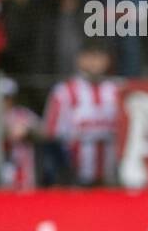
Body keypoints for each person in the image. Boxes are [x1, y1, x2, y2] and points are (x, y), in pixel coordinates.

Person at [42, 37, 120, 186]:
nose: (94, 62)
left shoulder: (117, 90)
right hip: (75, 181)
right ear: (79, 59)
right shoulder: (63, 92)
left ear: (107, 60)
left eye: (99, 56)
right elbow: (51, 134)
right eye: (89, 56)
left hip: (111, 181)